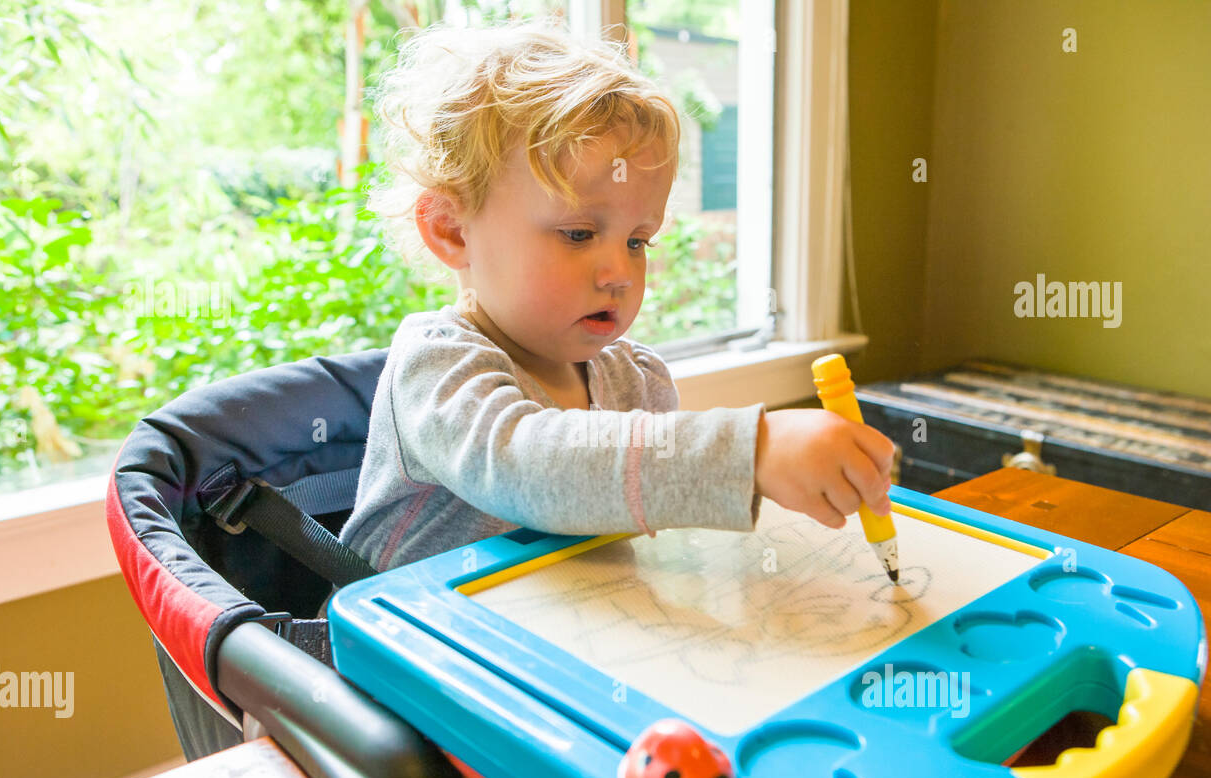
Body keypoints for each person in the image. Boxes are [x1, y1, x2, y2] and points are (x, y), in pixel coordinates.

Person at [337, 18, 895, 577]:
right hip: (403, 648)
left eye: (638, 241)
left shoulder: (638, 382)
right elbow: (530, 469)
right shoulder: (436, 366)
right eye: (578, 234)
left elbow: (639, 505)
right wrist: (750, 454)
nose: (620, 272)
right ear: (453, 231)